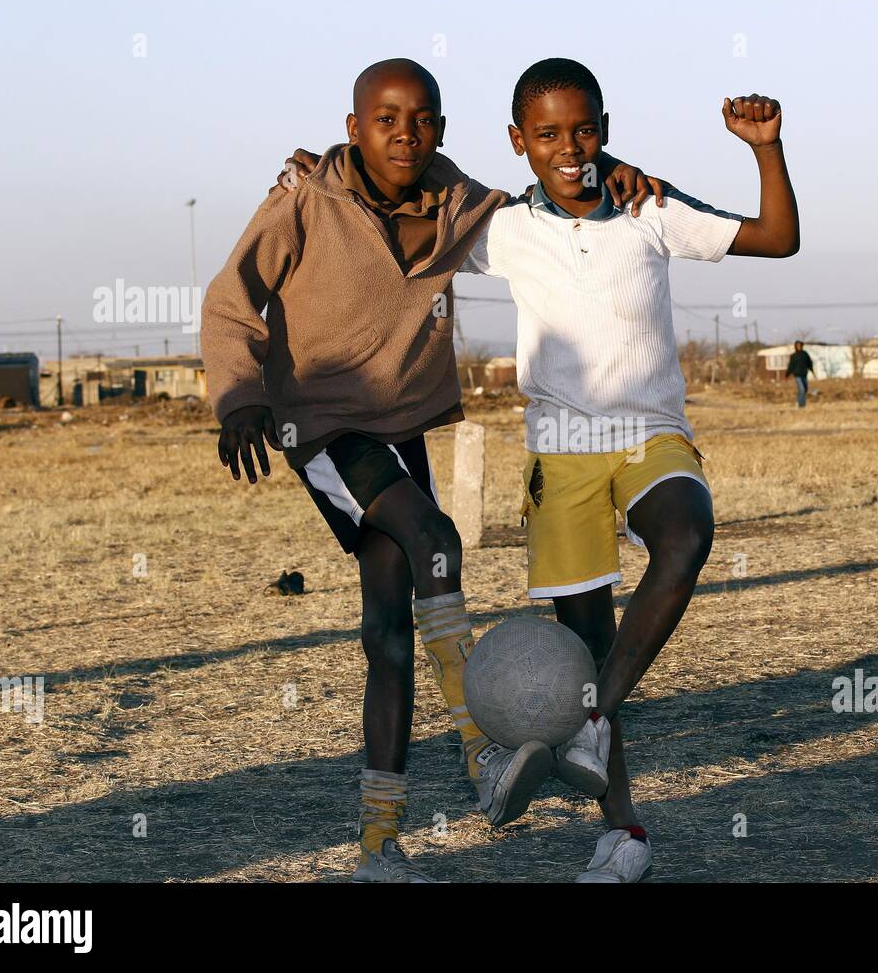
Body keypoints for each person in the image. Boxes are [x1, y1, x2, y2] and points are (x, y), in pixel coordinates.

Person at [206, 58, 662, 882]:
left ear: (442, 131)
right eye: (384, 118)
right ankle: (482, 750)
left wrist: (607, 171)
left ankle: (379, 846)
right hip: (321, 425)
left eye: (421, 119)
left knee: (388, 634)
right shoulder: (304, 199)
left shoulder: (459, 201)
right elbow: (230, 299)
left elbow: (547, 191)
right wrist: (239, 395)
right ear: (353, 128)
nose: (403, 133)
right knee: (436, 536)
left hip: (399, 429)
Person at [457, 58, 799, 881]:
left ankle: (590, 722)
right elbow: (407, 218)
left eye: (583, 129)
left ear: (604, 128)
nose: (568, 148)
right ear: (518, 143)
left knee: (686, 538)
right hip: (560, 450)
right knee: (586, 643)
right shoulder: (501, 229)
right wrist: (321, 178)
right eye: (547, 135)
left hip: (650, 431)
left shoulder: (650, 206)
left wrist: (766, 148)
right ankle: (623, 835)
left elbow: (776, 238)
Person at [785, 340, 814, 406]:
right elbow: (791, 366)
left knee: (805, 389)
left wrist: (812, 370)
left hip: (804, 374)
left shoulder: (805, 354)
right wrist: (787, 374)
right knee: (802, 389)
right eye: (797, 346)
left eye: (800, 346)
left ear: (802, 346)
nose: (799, 347)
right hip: (797, 375)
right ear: (796, 347)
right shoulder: (794, 356)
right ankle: (801, 404)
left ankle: (801, 402)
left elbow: (809, 363)